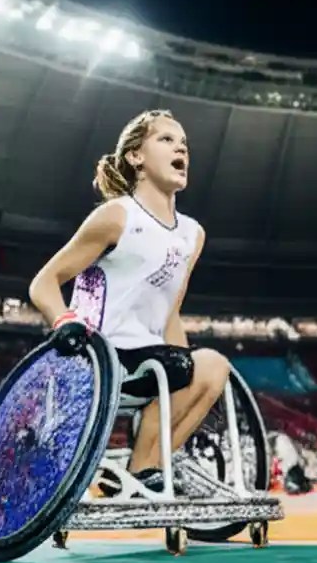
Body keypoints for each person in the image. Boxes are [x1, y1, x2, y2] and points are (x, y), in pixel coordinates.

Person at [29, 109, 231, 496]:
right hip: (101, 356)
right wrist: (64, 321)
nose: (181, 150)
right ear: (136, 156)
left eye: (184, 144)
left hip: (152, 360)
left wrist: (189, 381)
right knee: (169, 365)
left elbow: (170, 311)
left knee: (213, 367)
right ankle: (140, 469)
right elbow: (44, 282)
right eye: (167, 140)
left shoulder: (192, 234)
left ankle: (147, 466)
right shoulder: (116, 216)